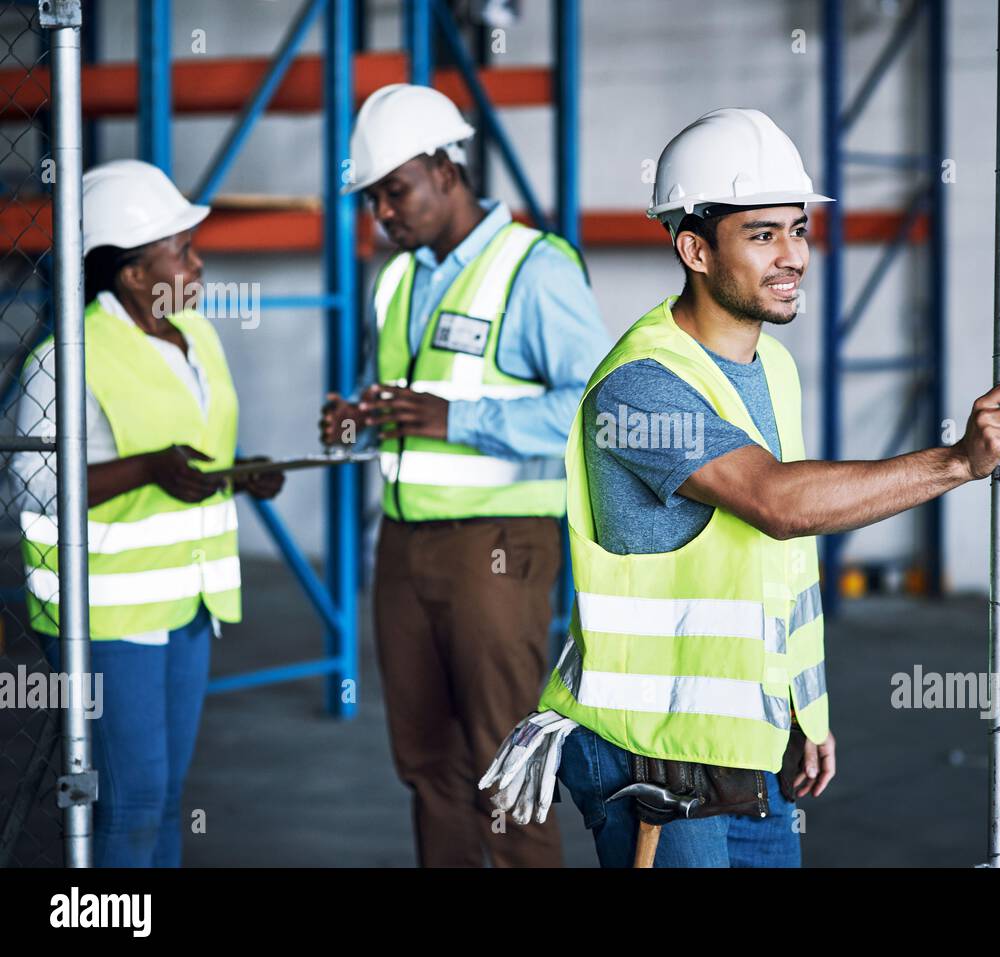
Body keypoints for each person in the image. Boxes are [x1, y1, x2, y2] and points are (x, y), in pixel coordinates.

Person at [481, 108, 1000, 868]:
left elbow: (780, 569)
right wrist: (956, 462)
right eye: (762, 234)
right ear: (695, 249)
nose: (794, 256)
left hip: (749, 748)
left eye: (799, 230)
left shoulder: (772, 368)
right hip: (655, 766)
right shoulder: (639, 387)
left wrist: (805, 710)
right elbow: (779, 504)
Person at [318, 84, 609, 867]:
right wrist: (355, 425)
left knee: (502, 767)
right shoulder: (398, 279)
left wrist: (457, 419)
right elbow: (397, 408)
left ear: (446, 170)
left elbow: (589, 409)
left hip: (499, 547)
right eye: (374, 197)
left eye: (395, 190)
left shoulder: (536, 268)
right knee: (425, 766)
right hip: (404, 546)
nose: (383, 211)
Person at [11, 159, 285, 867]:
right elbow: (31, 487)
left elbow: (195, 442)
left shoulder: (195, 334)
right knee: (132, 802)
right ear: (132, 273)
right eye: (181, 251)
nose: (198, 264)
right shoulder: (66, 359)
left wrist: (239, 471)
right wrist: (148, 467)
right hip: (108, 615)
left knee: (163, 797)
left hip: (188, 602)